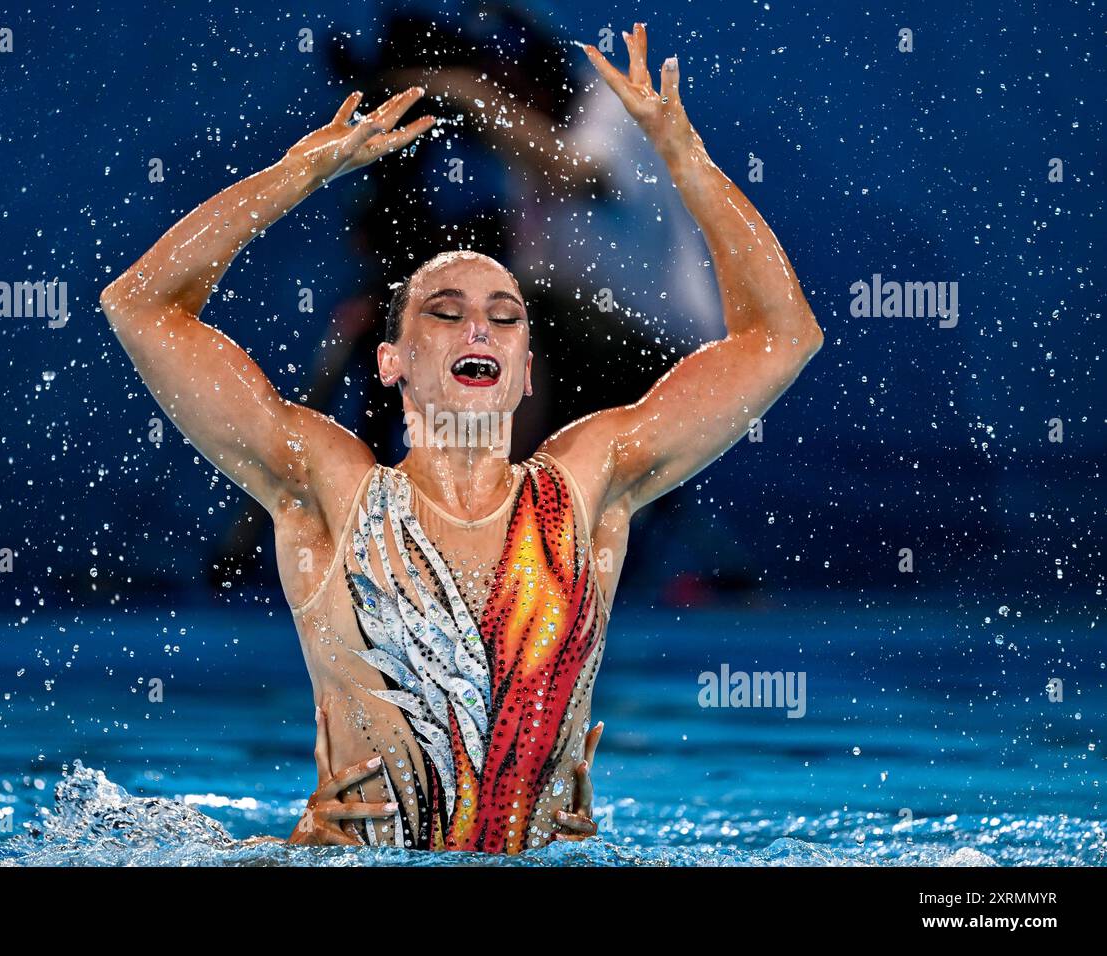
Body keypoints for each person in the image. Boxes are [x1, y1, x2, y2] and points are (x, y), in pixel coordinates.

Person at [100, 23, 823, 853]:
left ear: (522, 370)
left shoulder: (588, 486)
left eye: (504, 316)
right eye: (443, 313)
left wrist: (683, 156)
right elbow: (141, 306)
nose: (477, 326)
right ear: (391, 362)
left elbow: (782, 337)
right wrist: (301, 172)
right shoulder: (329, 487)